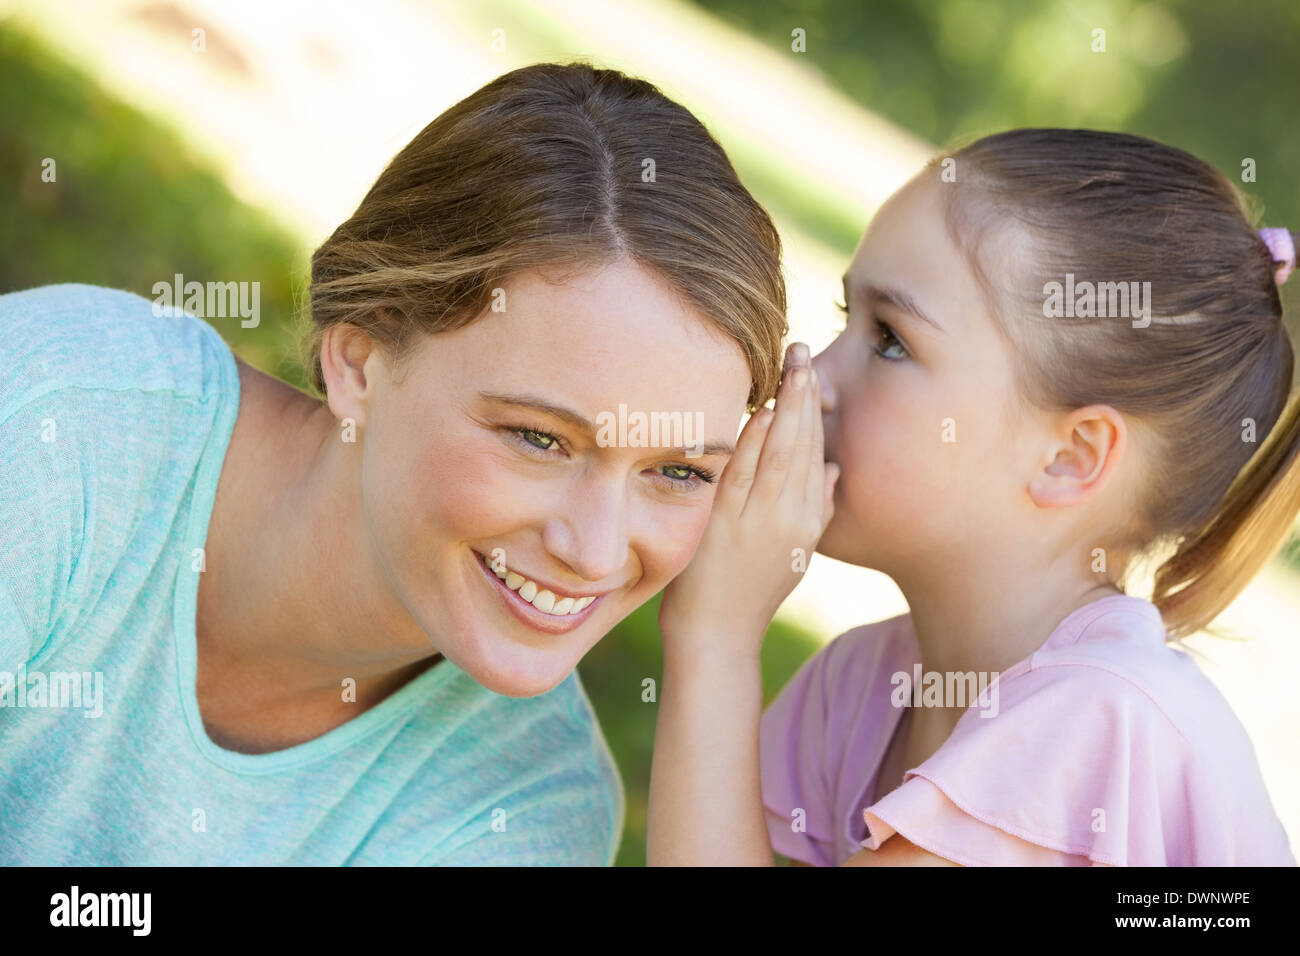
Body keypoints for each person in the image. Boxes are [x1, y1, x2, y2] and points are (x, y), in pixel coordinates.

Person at [0, 61, 788, 865]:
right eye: (538, 438)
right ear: (359, 363)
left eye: (680, 472)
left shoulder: (525, 806)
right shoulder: (59, 427)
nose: (593, 549)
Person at [647, 128, 1299, 866]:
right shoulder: (859, 685)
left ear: (1069, 458)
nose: (815, 379)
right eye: (845, 319)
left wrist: (716, 639)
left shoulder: (1096, 720)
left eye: (890, 339)